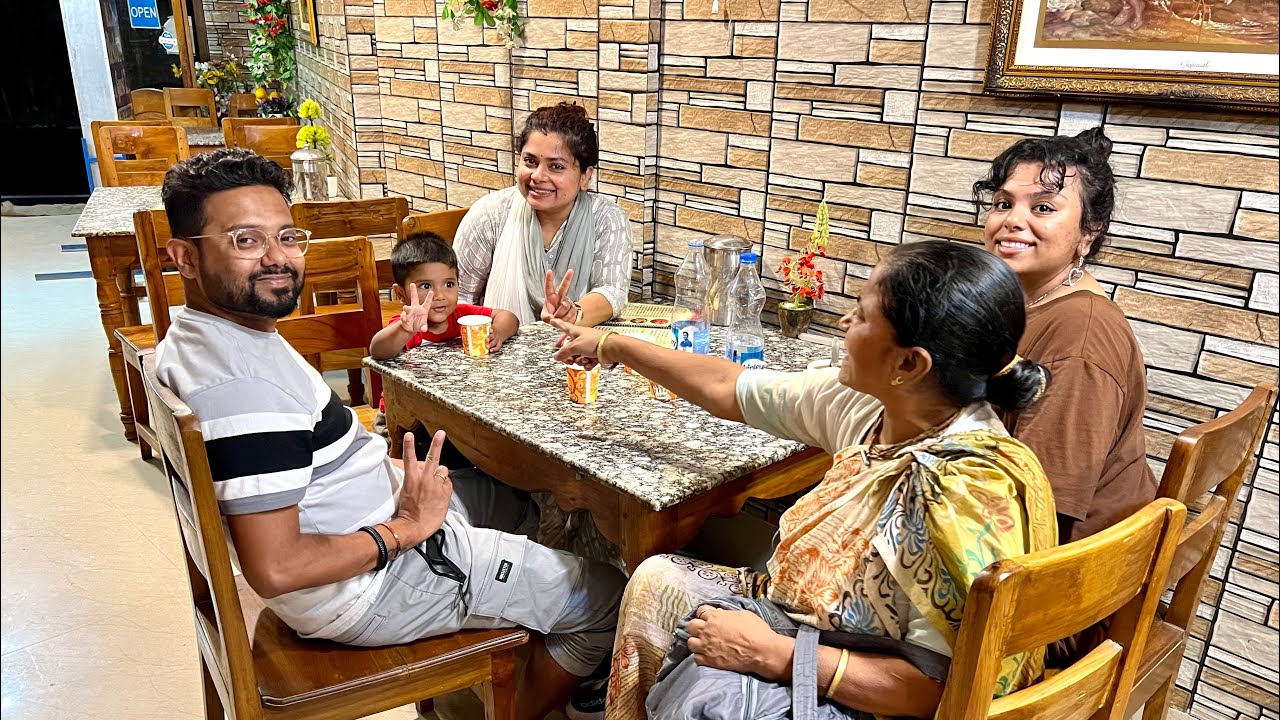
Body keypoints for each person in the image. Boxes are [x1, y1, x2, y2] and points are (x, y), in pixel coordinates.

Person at [152, 148, 625, 720]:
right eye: (245, 240)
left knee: (528, 504)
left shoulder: (202, 338)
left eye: (287, 236)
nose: (278, 258)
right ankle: (545, 653)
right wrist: (403, 528)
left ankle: (519, 614)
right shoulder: (246, 389)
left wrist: (397, 488)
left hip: (377, 530)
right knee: (606, 596)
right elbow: (275, 569)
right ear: (186, 257)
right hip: (373, 585)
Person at [551, 241, 1058, 719]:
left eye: (861, 315)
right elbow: (728, 387)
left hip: (875, 693)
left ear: (909, 362)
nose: (844, 321)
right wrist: (613, 345)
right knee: (656, 579)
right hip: (811, 627)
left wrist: (776, 656)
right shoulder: (871, 405)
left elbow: (940, 688)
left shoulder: (963, 496)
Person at [974, 127, 1156, 546]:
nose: (1012, 221)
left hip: (1061, 574)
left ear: (1089, 232)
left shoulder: (1080, 337)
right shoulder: (1028, 304)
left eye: (1042, 208)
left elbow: (1038, 508)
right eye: (1003, 203)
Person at [453, 102, 632, 327]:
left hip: (577, 351)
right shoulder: (490, 214)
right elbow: (460, 298)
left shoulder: (606, 218)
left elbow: (613, 291)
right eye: (530, 161)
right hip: (496, 347)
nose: (537, 176)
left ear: (586, 176)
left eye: (556, 166)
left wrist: (573, 313)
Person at [368, 231, 520, 434]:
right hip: (405, 416)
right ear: (401, 294)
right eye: (425, 286)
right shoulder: (408, 325)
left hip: (450, 411)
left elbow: (508, 317)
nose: (440, 296)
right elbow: (378, 350)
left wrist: (498, 332)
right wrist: (405, 330)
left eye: (449, 284)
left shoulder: (461, 315)